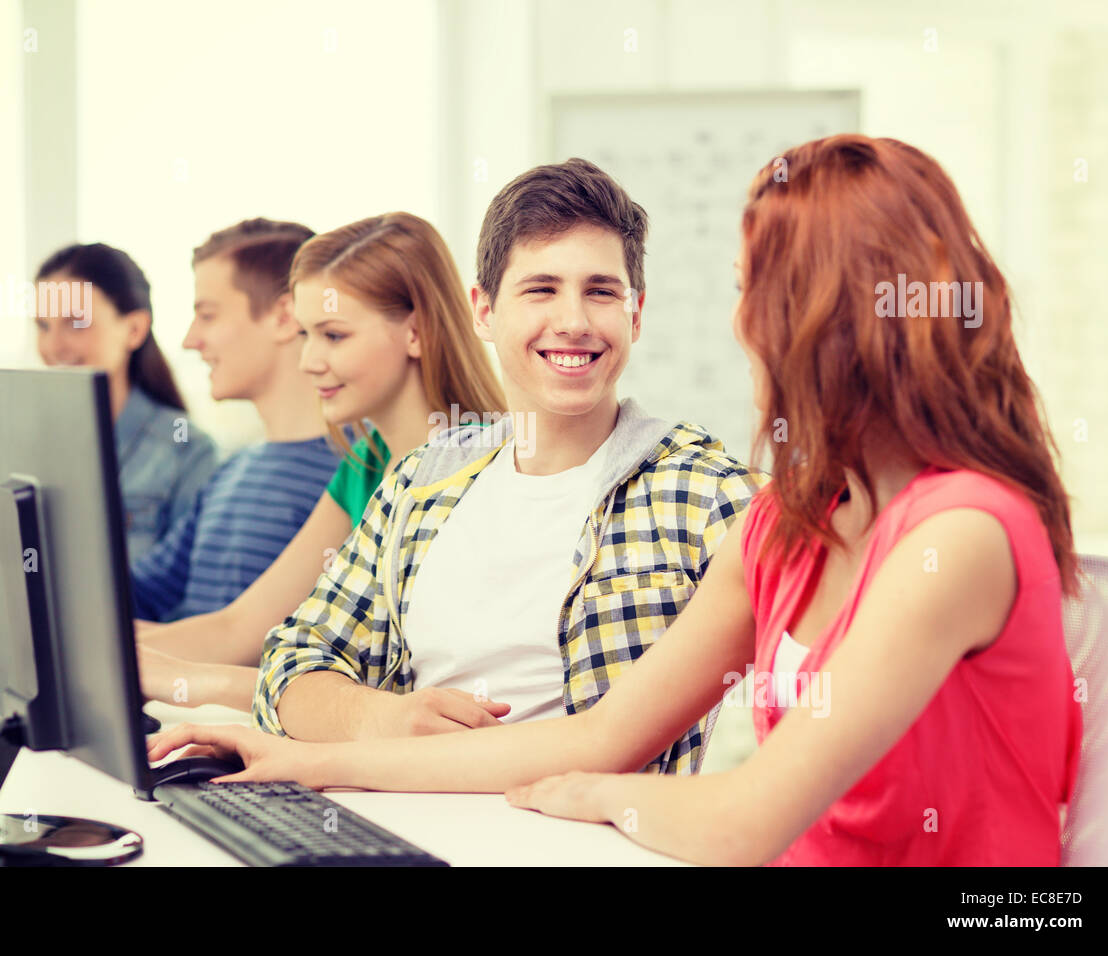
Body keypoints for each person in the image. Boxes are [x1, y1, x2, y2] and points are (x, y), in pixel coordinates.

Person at [149, 136, 1084, 866]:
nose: (739, 323)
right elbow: (600, 734)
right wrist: (308, 761)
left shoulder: (957, 535)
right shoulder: (782, 524)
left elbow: (739, 821)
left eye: (755, 291)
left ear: (826, 320)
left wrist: (592, 792)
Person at [156, 158, 764, 766]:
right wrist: (381, 716)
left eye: (601, 291)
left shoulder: (702, 491)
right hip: (392, 837)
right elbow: (290, 662)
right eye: (541, 289)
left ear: (635, 313)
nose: (574, 321)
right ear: (483, 311)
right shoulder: (421, 482)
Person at [0, 219, 341, 678]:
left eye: (207, 314)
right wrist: (15, 623)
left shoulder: (341, 478)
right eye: (44, 325)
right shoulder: (235, 469)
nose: (189, 339)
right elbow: (142, 594)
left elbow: (233, 637)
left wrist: (43, 645)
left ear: (285, 317)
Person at [136, 212, 507, 710]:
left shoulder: (480, 466)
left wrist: (185, 679)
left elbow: (392, 692)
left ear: (415, 332)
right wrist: (99, 657)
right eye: (307, 335)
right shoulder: (366, 464)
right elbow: (243, 626)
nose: (309, 360)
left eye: (333, 336)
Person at [0, 243, 218, 616]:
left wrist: (15, 600)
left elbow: (176, 600)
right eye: (44, 326)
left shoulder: (186, 450)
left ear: (135, 329)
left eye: (75, 323)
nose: (54, 345)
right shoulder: (30, 440)